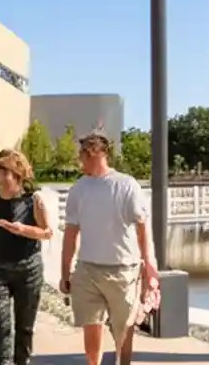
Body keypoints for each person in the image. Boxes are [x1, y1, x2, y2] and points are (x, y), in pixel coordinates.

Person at [60, 132, 158, 365]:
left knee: (123, 330)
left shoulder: (126, 185)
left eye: (82, 155)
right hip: (87, 268)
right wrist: (65, 273)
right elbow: (71, 233)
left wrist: (148, 267)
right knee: (91, 327)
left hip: (123, 269)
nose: (79, 161)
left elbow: (142, 228)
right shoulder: (79, 189)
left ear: (95, 153)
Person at [0, 150, 53, 365]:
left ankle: (22, 362)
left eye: (4, 173)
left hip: (29, 270)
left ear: (17, 175)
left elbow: (47, 232)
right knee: (1, 325)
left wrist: (23, 229)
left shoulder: (32, 199)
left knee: (25, 327)